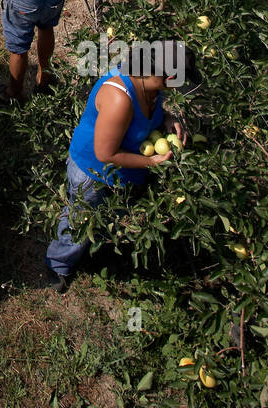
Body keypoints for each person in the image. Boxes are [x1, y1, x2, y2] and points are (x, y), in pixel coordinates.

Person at [45, 42, 194, 290]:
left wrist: (167, 118)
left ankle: (98, 247)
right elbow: (105, 153)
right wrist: (151, 162)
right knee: (80, 218)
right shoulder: (119, 97)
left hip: (124, 166)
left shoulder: (150, 81)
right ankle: (58, 263)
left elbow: (148, 112)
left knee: (109, 213)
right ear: (168, 77)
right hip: (92, 170)